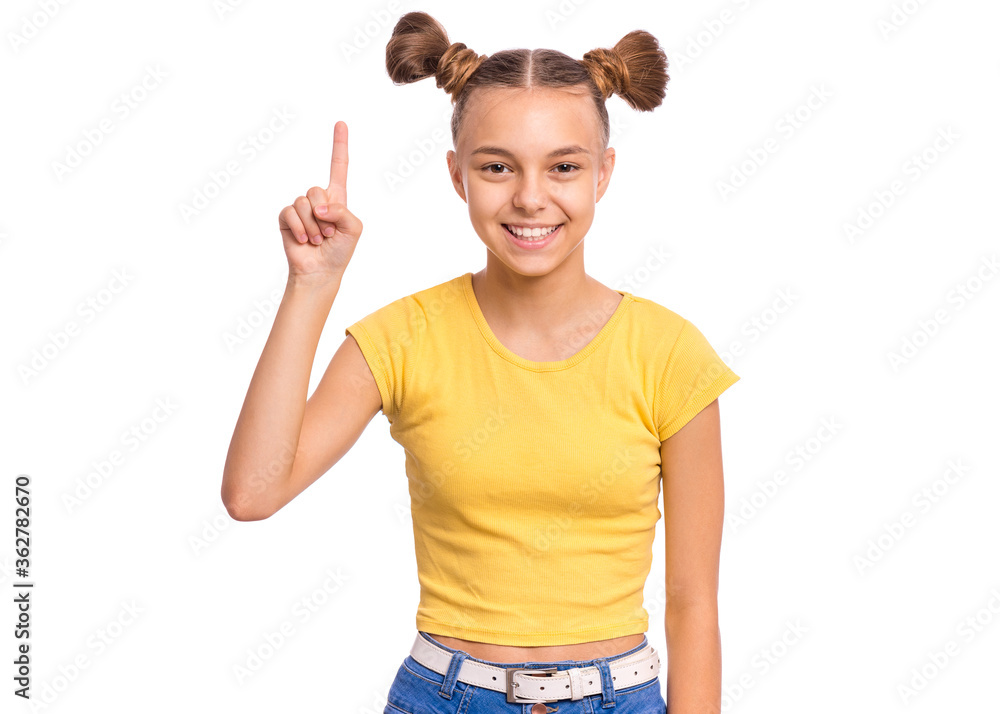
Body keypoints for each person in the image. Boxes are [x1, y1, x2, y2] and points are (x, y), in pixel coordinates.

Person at [222, 10, 740, 713]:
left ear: (604, 173)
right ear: (457, 175)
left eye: (564, 166)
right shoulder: (405, 337)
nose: (530, 197)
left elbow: (692, 606)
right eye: (497, 166)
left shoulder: (670, 354)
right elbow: (253, 493)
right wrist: (312, 286)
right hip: (441, 696)